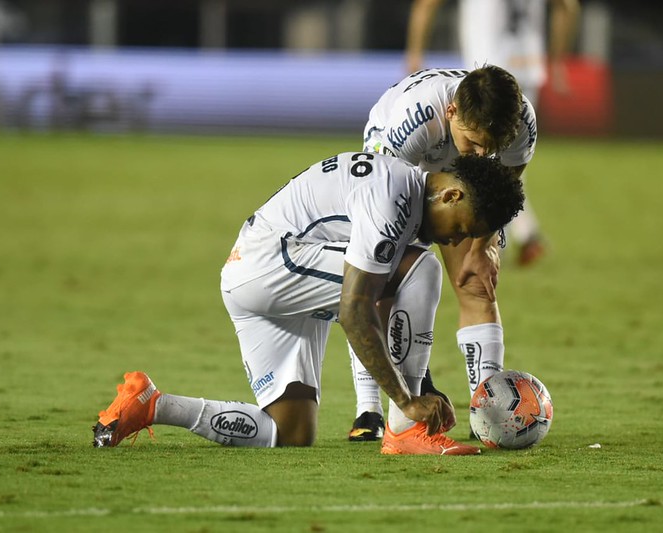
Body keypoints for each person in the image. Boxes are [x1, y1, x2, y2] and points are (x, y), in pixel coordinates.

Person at [93, 152, 525, 455]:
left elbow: (389, 312)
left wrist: (422, 385)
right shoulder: (393, 197)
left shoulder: (407, 192)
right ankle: (404, 429)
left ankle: (151, 404)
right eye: (463, 227)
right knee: (423, 269)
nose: (456, 240)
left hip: (266, 277)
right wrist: (409, 400)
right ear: (451, 195)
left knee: (290, 432)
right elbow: (356, 310)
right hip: (272, 264)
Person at [348, 65, 535, 442]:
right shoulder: (414, 119)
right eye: (474, 142)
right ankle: (369, 409)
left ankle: (488, 413)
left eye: (491, 148)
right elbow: (382, 191)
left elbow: (500, 190)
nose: (483, 154)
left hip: (462, 181)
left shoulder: (520, 123)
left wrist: (482, 248)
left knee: (477, 283)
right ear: (451, 112)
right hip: (400, 167)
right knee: (387, 280)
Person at [406, 0, 580, 266]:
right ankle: (520, 234)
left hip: (485, 71)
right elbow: (568, 7)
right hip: (527, 68)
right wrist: (557, 61)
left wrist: (415, 52)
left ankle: (492, 243)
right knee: (507, 161)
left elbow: (427, 4)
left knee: (477, 157)